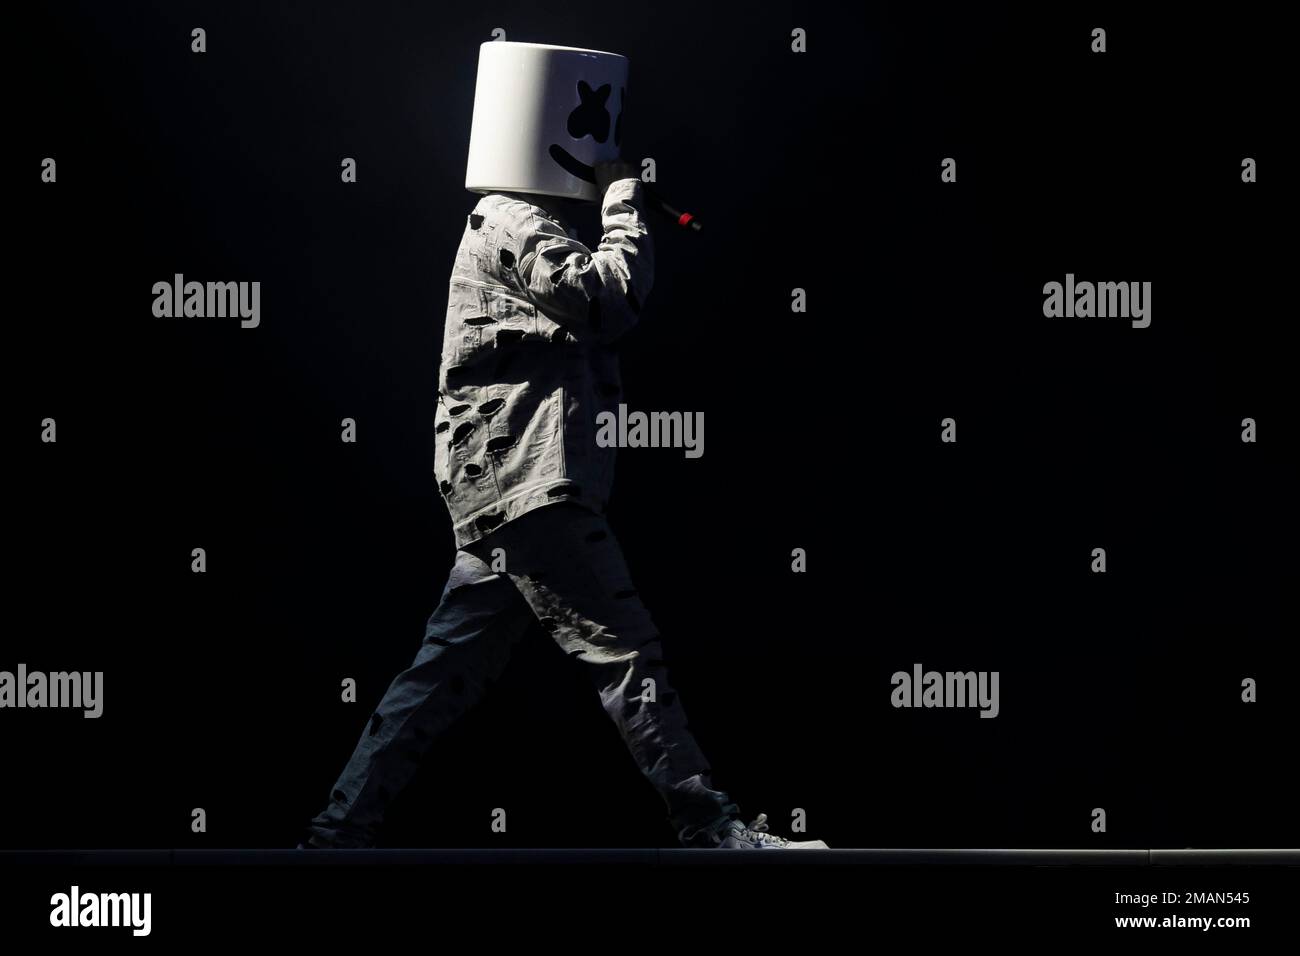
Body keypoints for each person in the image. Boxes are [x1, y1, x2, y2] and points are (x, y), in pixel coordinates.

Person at [300, 41, 826, 851]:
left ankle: (335, 838)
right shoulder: (509, 219)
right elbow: (608, 299)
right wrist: (622, 204)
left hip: (512, 485)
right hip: (525, 485)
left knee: (439, 678)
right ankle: (711, 827)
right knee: (627, 654)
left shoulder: (518, 221)